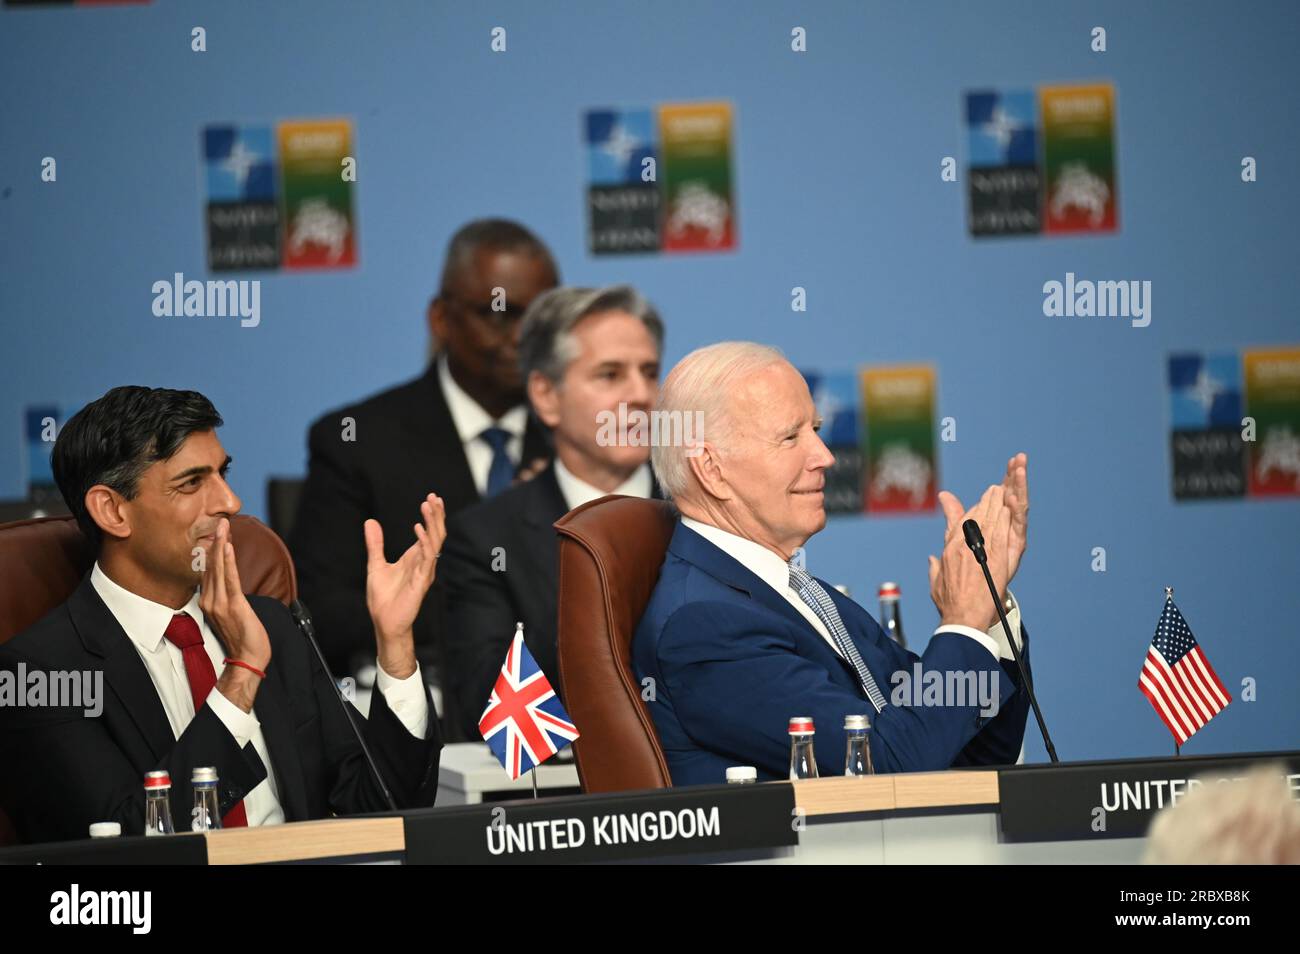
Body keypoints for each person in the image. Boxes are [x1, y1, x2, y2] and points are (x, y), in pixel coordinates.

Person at [0, 387, 443, 843]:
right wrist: (241, 676)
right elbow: (130, 845)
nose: (230, 502)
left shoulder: (275, 625)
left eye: (223, 474)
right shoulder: (38, 674)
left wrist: (395, 643)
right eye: (192, 482)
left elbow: (386, 808)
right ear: (112, 510)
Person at [633, 341, 1033, 785]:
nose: (825, 456)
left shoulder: (800, 592)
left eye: (817, 429)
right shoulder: (705, 624)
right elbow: (884, 771)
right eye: (790, 437)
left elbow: (979, 750)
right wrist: (962, 623)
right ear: (711, 468)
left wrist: (987, 611)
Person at [290, 219, 558, 676]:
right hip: (427, 714)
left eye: (540, 320)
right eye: (499, 313)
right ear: (441, 319)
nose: (521, 339)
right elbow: (320, 617)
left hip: (558, 716)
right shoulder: (357, 442)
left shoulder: (574, 444)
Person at [440, 285, 664, 740]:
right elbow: (496, 717)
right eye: (610, 374)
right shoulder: (486, 540)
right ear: (546, 395)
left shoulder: (708, 515)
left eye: (649, 372)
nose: (641, 394)